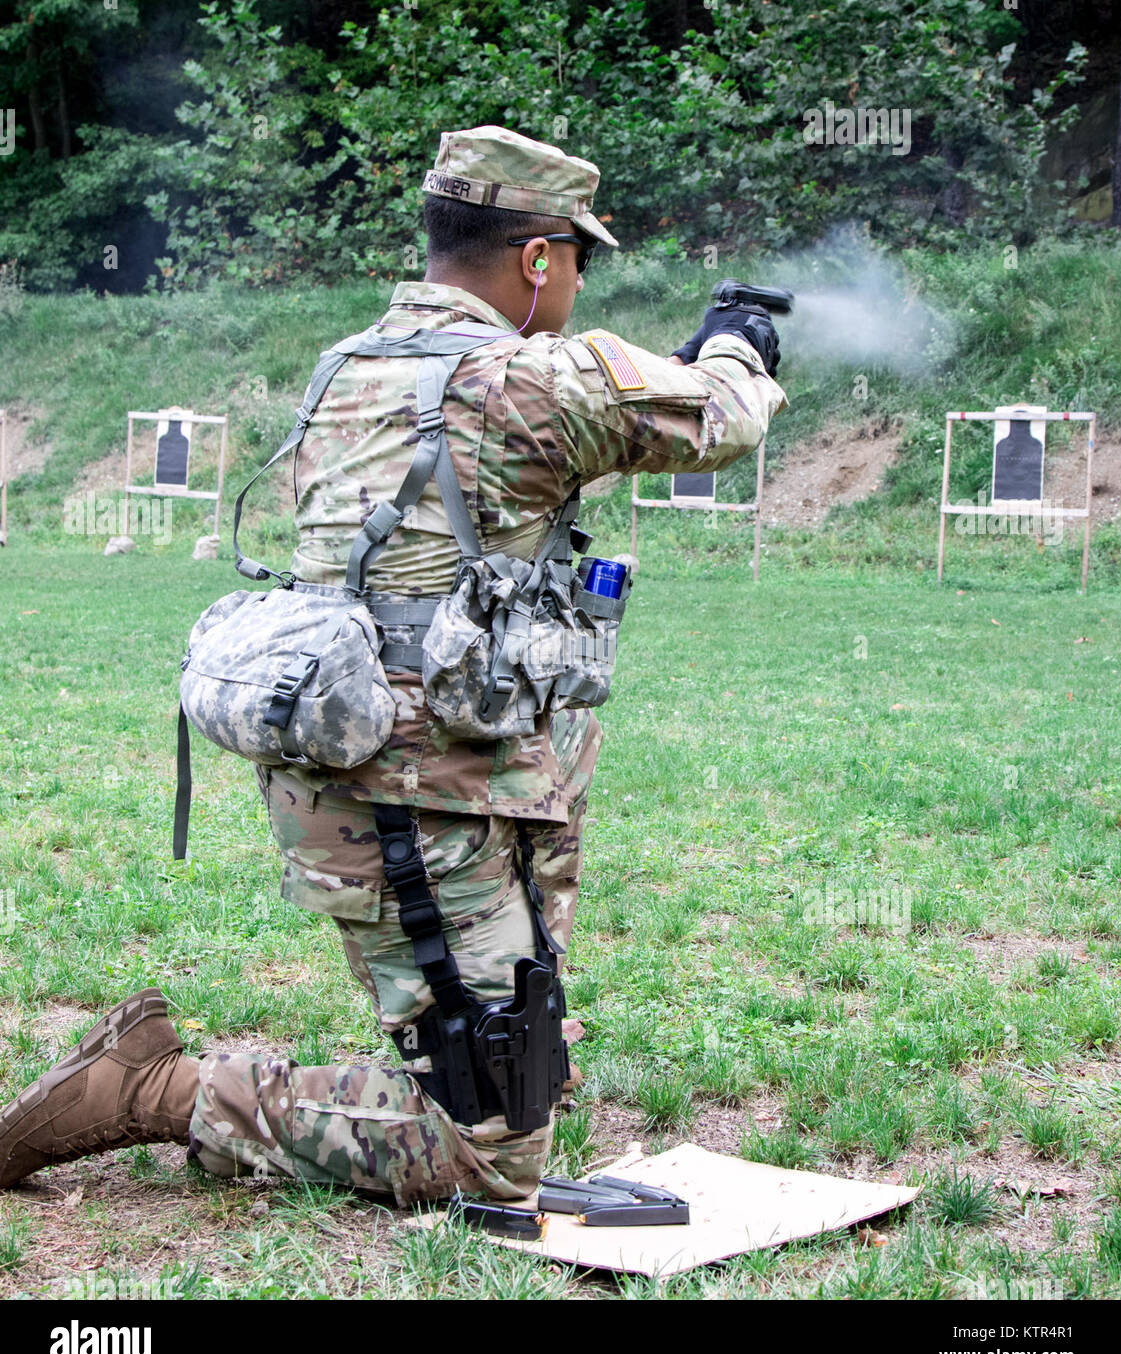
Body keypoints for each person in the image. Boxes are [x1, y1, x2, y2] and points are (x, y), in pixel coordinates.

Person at [0, 125, 787, 1203]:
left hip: (380, 768)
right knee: (488, 1158)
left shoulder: (350, 365)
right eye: (577, 259)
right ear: (537, 258)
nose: (578, 285)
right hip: (420, 793)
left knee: (515, 1054)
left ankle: (477, 1064)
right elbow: (724, 419)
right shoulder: (523, 382)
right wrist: (736, 345)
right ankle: (154, 1088)